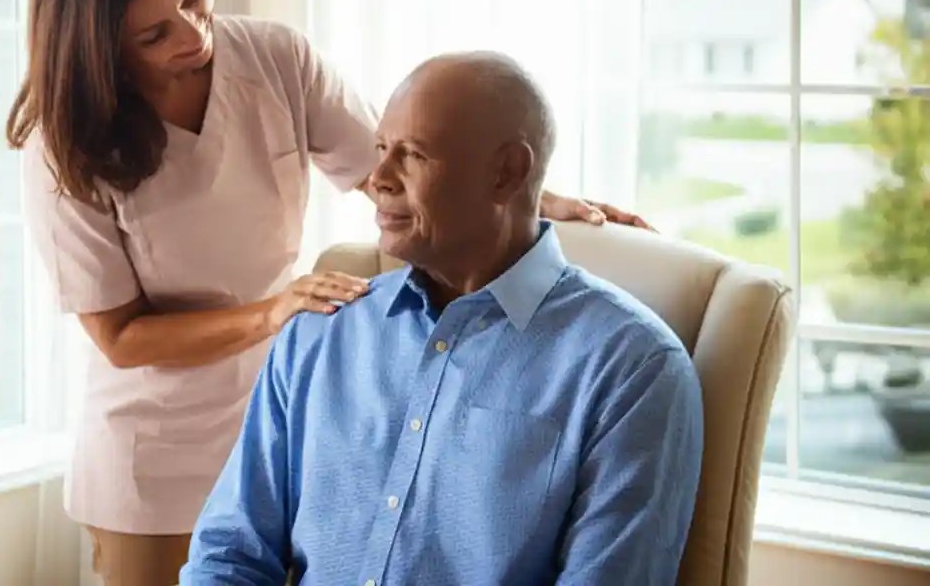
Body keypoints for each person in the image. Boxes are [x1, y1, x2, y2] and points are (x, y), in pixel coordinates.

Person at [8, 0, 649, 586]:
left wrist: (527, 193)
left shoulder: (274, 58)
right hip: (153, 454)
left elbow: (389, 172)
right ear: (99, 48)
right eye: (154, 35)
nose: (193, 35)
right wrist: (274, 312)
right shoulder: (62, 147)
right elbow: (121, 338)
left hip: (277, 421)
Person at [182, 52, 704, 586]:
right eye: (381, 149)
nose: (379, 178)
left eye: (413, 156)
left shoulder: (632, 368)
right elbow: (229, 554)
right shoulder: (320, 330)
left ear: (506, 173)